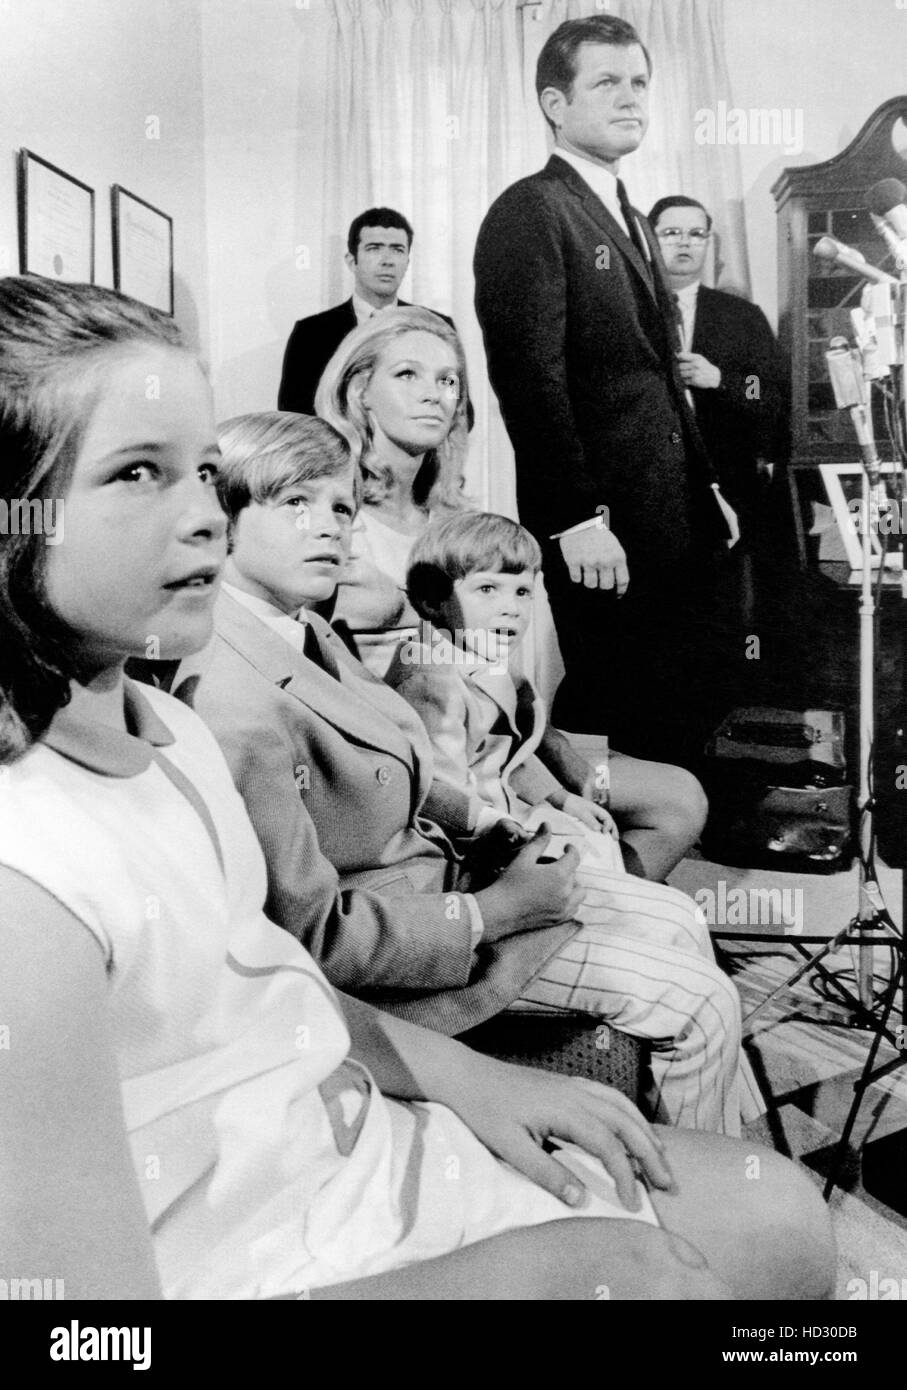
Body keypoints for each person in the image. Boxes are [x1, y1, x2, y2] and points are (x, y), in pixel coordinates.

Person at [0, 274, 836, 1301]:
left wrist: (474, 1080)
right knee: (674, 1279)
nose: (209, 519)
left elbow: (284, 984)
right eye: (137, 473)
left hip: (336, 1150)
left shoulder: (165, 729)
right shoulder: (27, 873)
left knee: (788, 1222)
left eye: (207, 474)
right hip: (251, 1257)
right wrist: (520, 1278)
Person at [191, 418, 760, 1136]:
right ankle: (708, 1198)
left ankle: (712, 1145)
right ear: (227, 520)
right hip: (402, 961)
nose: (329, 527)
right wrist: (500, 910)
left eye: (341, 508)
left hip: (445, 881)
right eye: (295, 504)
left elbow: (425, 775)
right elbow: (310, 937)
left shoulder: (304, 629)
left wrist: (502, 827)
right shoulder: (230, 697)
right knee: (699, 1003)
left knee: (678, 916)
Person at [316, 304, 710, 883]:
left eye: (448, 380)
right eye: (408, 375)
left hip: (509, 743)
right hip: (422, 772)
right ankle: (566, 911)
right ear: (359, 391)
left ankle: (587, 912)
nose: (435, 394)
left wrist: (561, 762)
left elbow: (502, 681)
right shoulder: (338, 525)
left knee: (678, 798)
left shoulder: (458, 520)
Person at [473, 14, 739, 773]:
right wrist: (572, 520)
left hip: (670, 505)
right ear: (554, 103)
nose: (631, 99)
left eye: (639, 83)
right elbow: (529, 379)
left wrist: (706, 482)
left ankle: (651, 857)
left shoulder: (631, 215)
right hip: (604, 519)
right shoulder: (530, 211)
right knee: (609, 699)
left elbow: (659, 373)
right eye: (606, 82)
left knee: (667, 697)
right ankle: (595, 872)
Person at [647, 194, 788, 566]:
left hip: (728, 487)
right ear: (649, 238)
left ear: (708, 242)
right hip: (648, 487)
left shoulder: (742, 317)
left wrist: (721, 379)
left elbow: (768, 395)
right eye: (671, 232)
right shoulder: (628, 311)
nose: (684, 242)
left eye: (696, 233)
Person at [278, 207, 460, 417]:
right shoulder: (311, 332)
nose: (387, 260)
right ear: (351, 261)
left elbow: (458, 405)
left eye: (397, 249)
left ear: (407, 263)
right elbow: (293, 414)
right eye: (374, 248)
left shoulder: (436, 328)